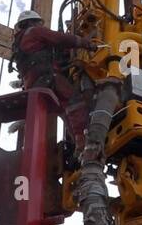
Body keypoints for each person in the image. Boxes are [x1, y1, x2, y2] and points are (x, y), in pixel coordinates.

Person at [10, 10, 96, 150]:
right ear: (32, 22)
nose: (39, 25)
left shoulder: (19, 43)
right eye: (38, 22)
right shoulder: (34, 32)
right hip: (48, 79)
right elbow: (60, 39)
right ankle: (83, 140)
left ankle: (78, 146)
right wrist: (84, 43)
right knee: (75, 102)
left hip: (34, 85)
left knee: (64, 110)